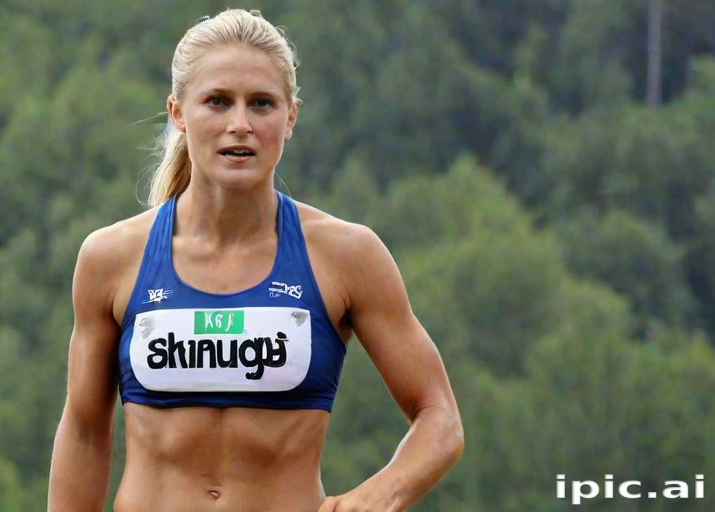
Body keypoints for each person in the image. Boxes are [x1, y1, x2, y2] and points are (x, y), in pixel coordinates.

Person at [48, 8, 464, 512]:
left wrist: (377, 495)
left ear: (290, 117)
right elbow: (86, 432)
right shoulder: (111, 258)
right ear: (178, 113)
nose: (239, 125)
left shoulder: (347, 255)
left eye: (261, 104)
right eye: (218, 102)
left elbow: (439, 416)